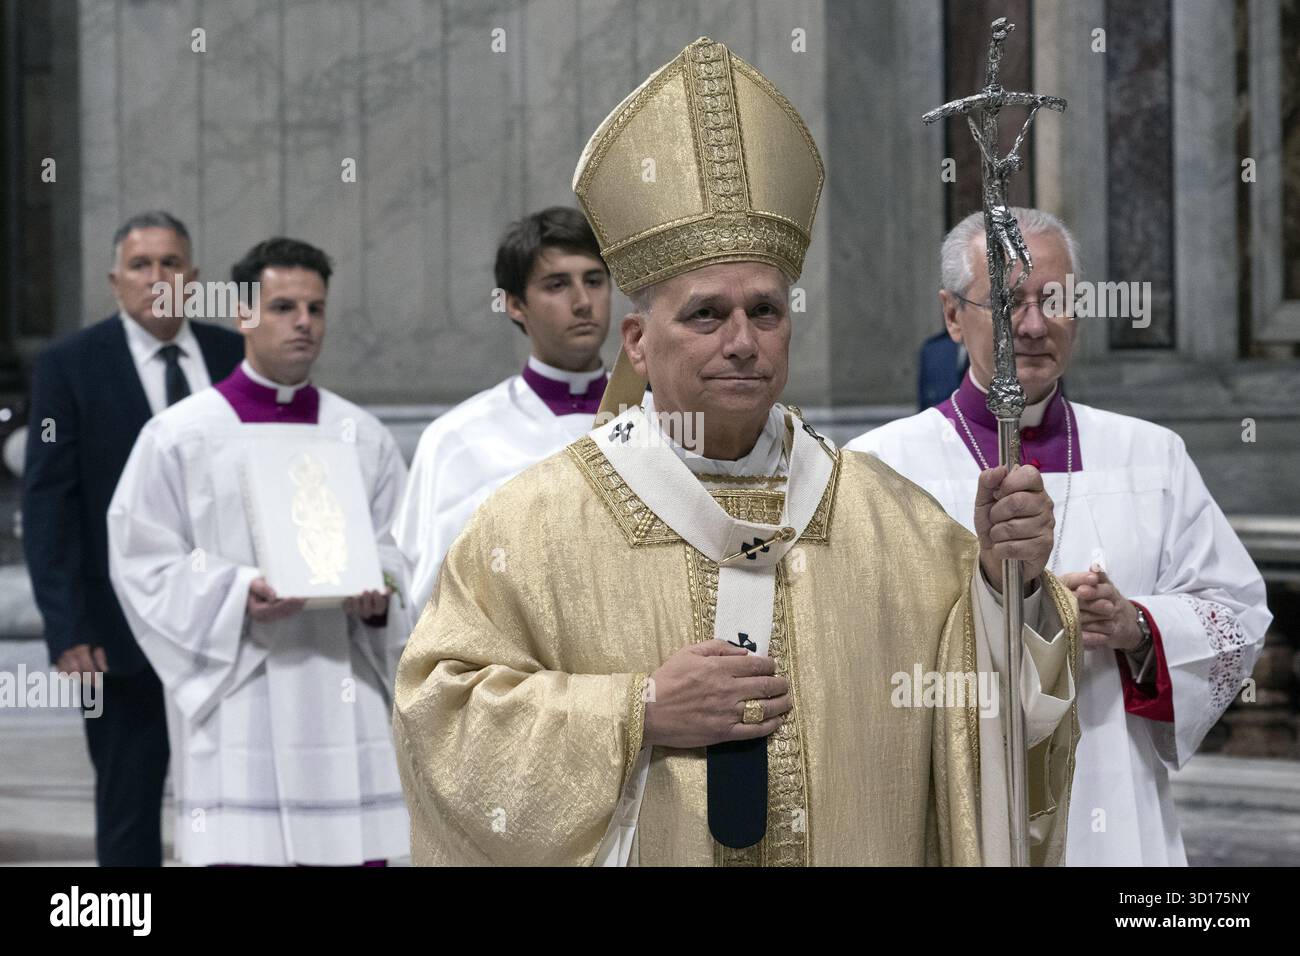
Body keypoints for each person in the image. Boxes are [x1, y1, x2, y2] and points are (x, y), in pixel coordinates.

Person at [393, 38, 1080, 867]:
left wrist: (1016, 587)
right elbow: (441, 712)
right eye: (707, 316)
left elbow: (990, 714)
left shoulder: (888, 518)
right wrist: (638, 710)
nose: (744, 342)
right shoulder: (536, 523)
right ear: (640, 343)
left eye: (766, 310)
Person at [847, 207, 1272, 865]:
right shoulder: (879, 467)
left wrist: (1139, 628)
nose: (1036, 325)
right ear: (953, 315)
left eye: (1057, 300)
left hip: (1112, 789)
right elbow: (852, 650)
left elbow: (1239, 615)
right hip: (959, 796)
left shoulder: (1150, 455)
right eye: (1009, 301)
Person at [106, 237, 411, 866]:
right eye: (283, 307)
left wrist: (379, 597)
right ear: (243, 314)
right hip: (241, 695)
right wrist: (236, 591)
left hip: (342, 690)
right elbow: (142, 560)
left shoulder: (362, 436)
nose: (304, 322)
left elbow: (402, 553)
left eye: (316, 308)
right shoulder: (181, 435)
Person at [22, 210, 244, 866]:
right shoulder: (70, 366)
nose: (157, 278)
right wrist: (67, 629)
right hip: (118, 632)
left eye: (171, 263)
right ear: (116, 280)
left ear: (193, 277)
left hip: (232, 622)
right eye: (141, 266)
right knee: (128, 807)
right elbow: (48, 506)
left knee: (241, 799)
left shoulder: (234, 354)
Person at [393, 206, 611, 612]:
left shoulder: (658, 420)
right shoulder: (457, 438)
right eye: (557, 285)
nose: (583, 302)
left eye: (594, 281)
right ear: (514, 304)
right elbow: (427, 597)